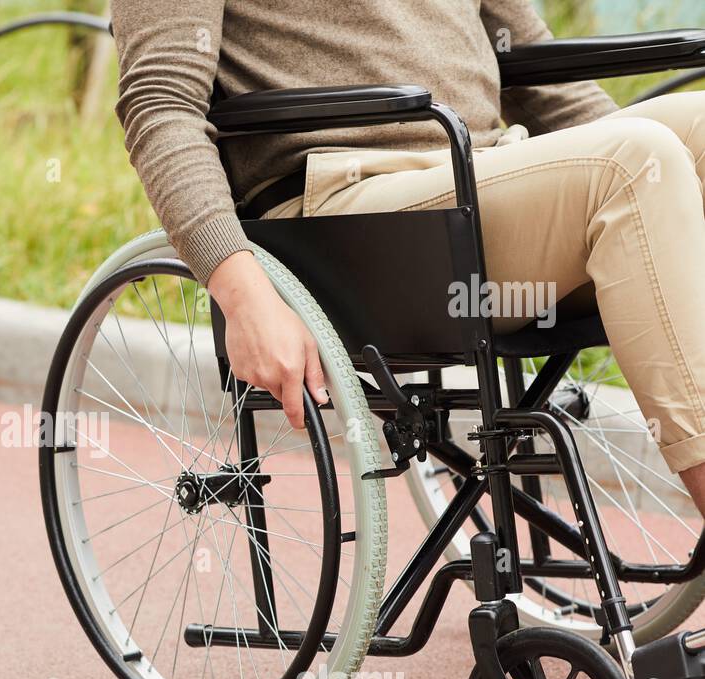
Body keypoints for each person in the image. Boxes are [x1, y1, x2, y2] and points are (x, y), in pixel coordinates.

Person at [112, 0, 705, 515]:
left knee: (682, 140)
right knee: (635, 164)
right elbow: (159, 104)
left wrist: (667, 183)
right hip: (346, 207)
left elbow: (534, 66)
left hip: (481, 169)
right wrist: (241, 292)